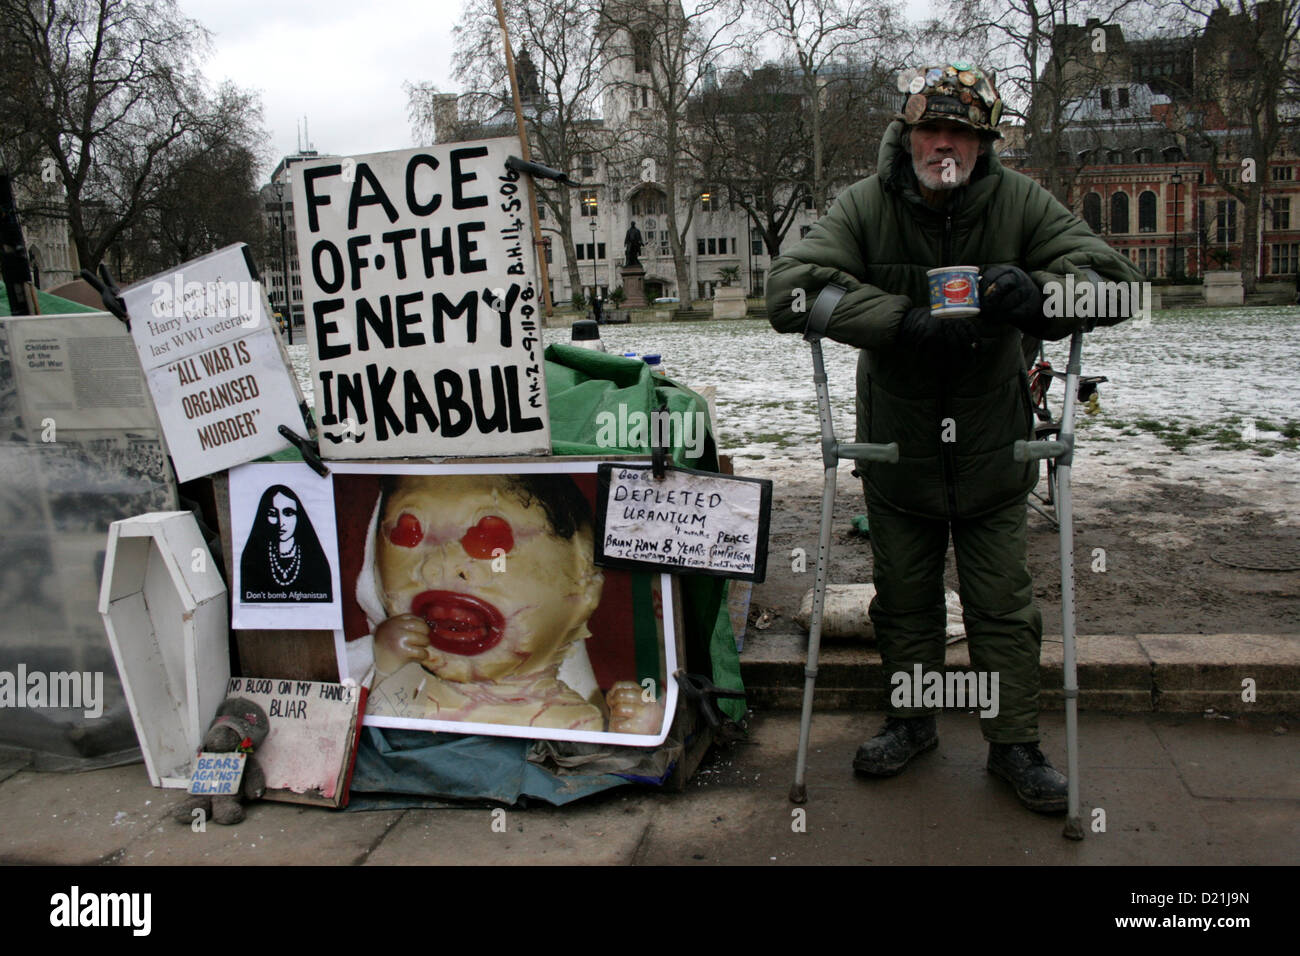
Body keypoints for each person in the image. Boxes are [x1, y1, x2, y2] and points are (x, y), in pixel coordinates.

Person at [766, 62, 1143, 813]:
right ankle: (911, 723)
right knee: (902, 600)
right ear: (908, 137)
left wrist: (1041, 296)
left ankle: (1015, 746)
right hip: (898, 450)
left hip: (992, 448)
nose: (946, 146)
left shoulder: (1019, 200)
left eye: (963, 134)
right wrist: (899, 322)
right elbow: (790, 289)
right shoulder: (866, 206)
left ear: (985, 142)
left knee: (1002, 604)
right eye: (932, 130)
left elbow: (1118, 282)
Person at [364, 473, 664, 734]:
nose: (437, 567)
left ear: (583, 574)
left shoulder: (576, 721)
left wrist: (638, 729)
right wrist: (388, 663)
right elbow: (381, 739)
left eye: (488, 536)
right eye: (408, 531)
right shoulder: (416, 702)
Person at [239, 484, 333, 602]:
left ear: (299, 516)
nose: (281, 522)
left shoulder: (315, 560)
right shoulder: (253, 558)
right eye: (273, 514)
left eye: (288, 513)